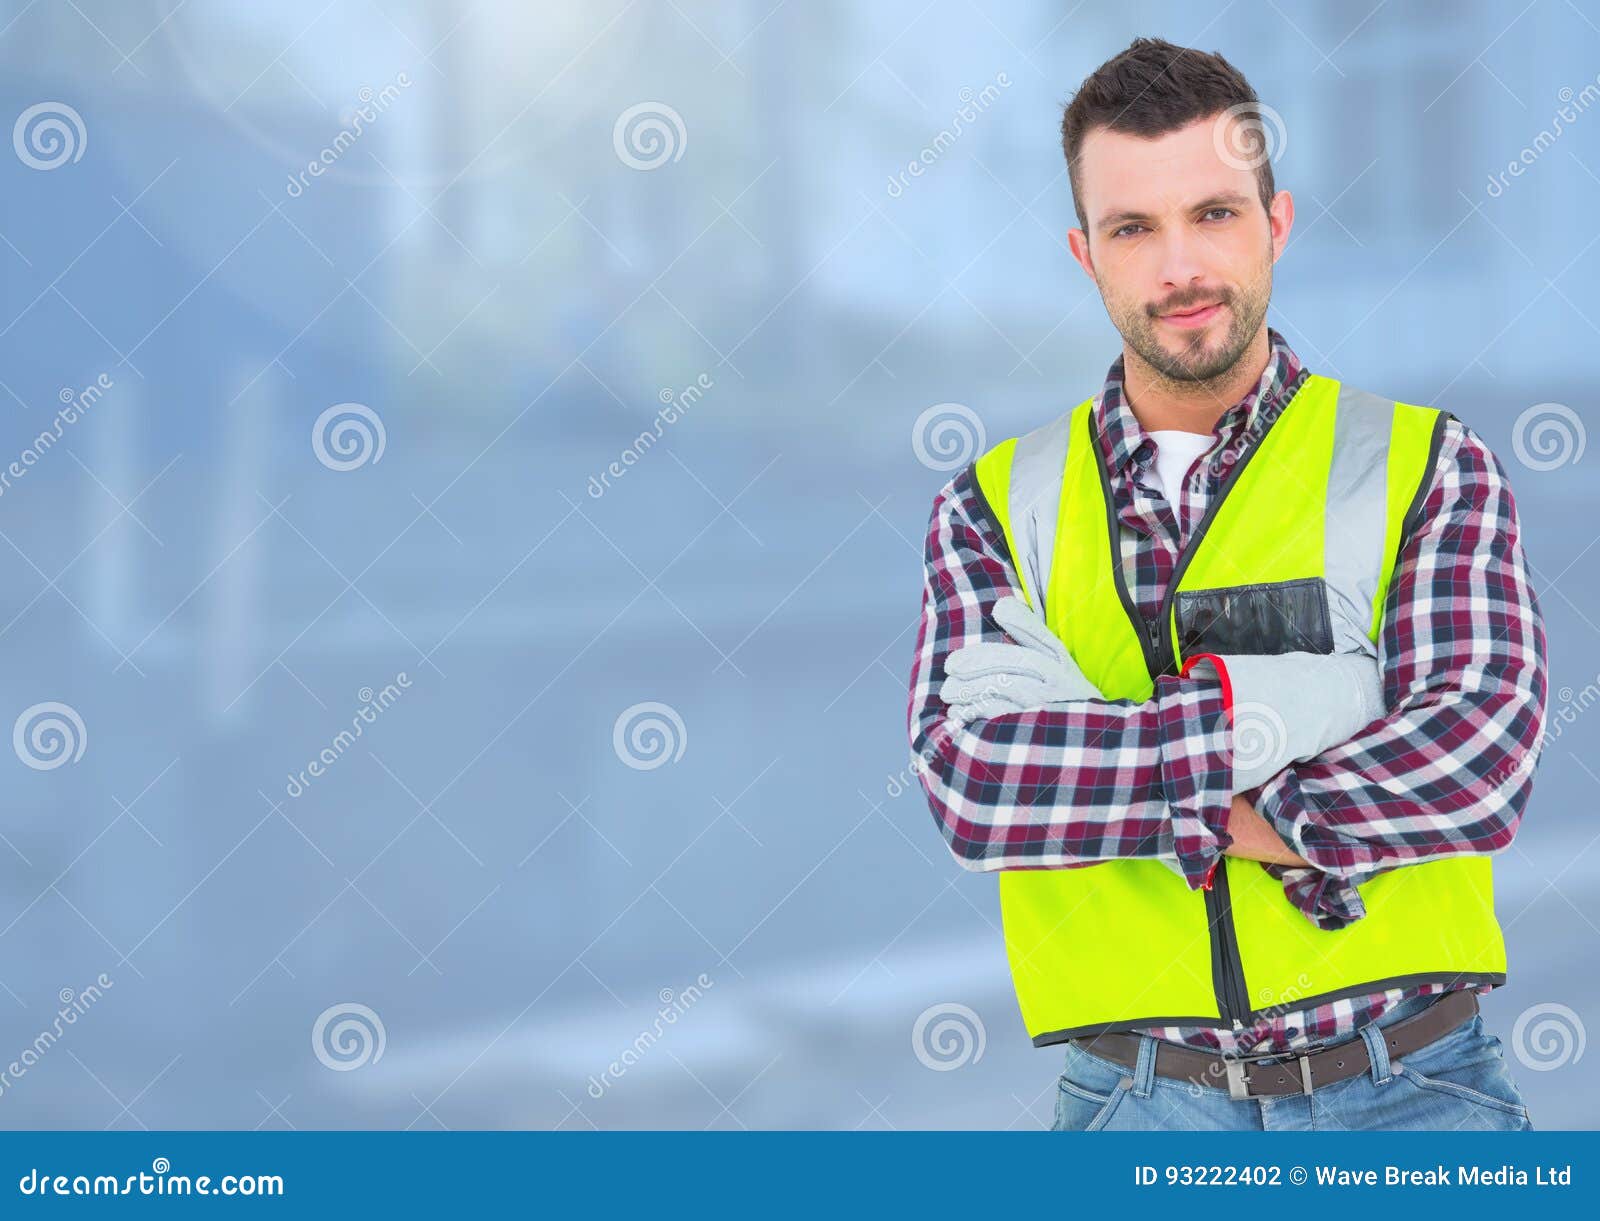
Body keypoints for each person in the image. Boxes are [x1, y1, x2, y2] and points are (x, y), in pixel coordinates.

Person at [905, 36, 1549, 1131]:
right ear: (1085, 254)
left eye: (1212, 213)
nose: (1179, 269)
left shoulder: (1423, 463)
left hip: (1412, 1095)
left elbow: (1477, 757)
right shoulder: (996, 503)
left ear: (1274, 224)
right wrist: (1294, 717)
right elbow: (974, 787)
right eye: (1132, 228)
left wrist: (1106, 744)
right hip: (1135, 1109)